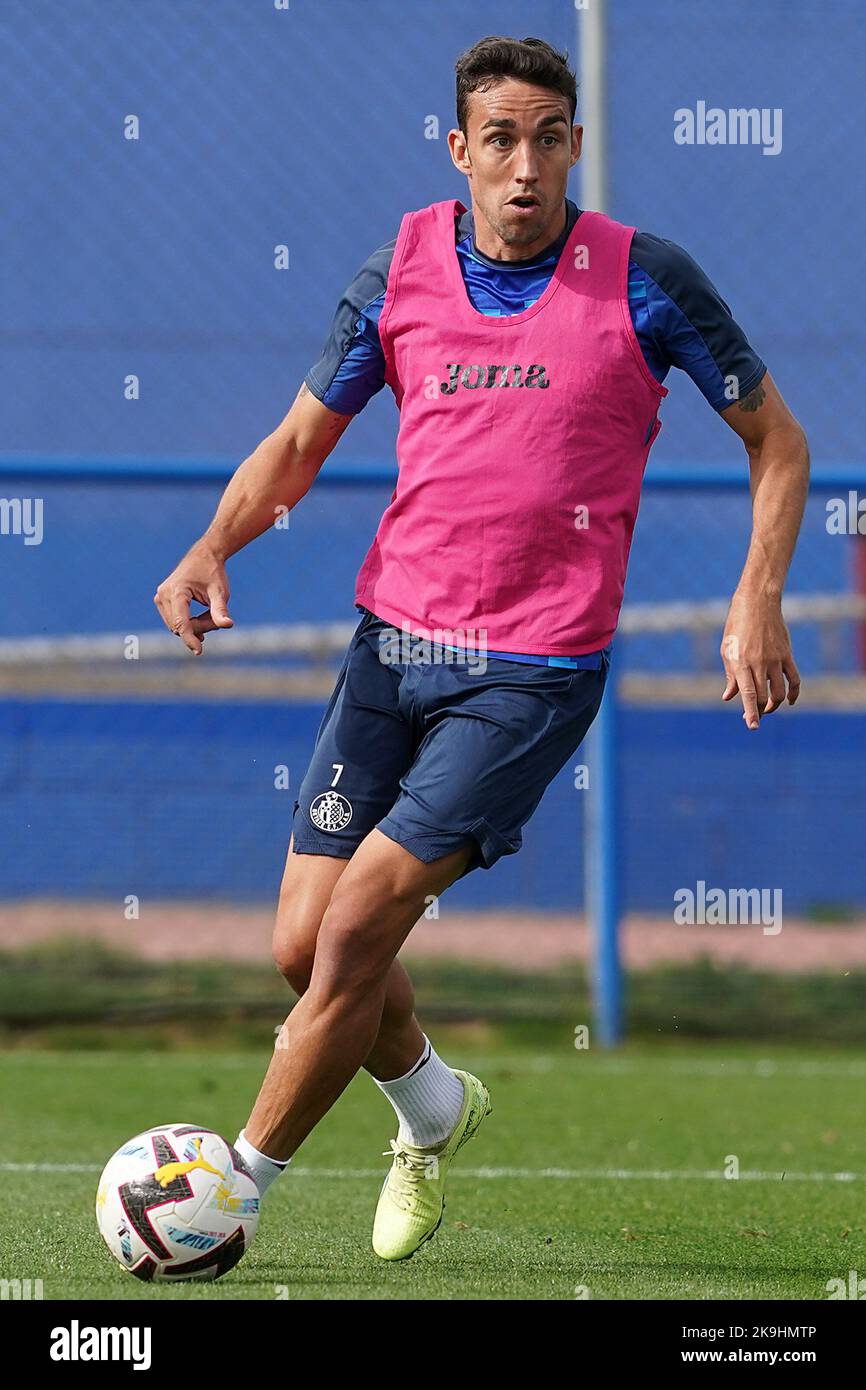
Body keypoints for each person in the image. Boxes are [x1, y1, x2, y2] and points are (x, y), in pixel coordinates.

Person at [154, 35, 808, 1262]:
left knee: (352, 937)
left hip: (531, 668)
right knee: (298, 944)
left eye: (547, 136)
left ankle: (228, 1193)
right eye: (498, 138)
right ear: (459, 151)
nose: (524, 163)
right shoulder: (398, 268)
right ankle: (432, 1106)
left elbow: (779, 444)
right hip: (391, 647)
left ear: (573, 145)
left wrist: (753, 597)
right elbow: (299, 442)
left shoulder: (645, 278)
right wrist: (211, 545)